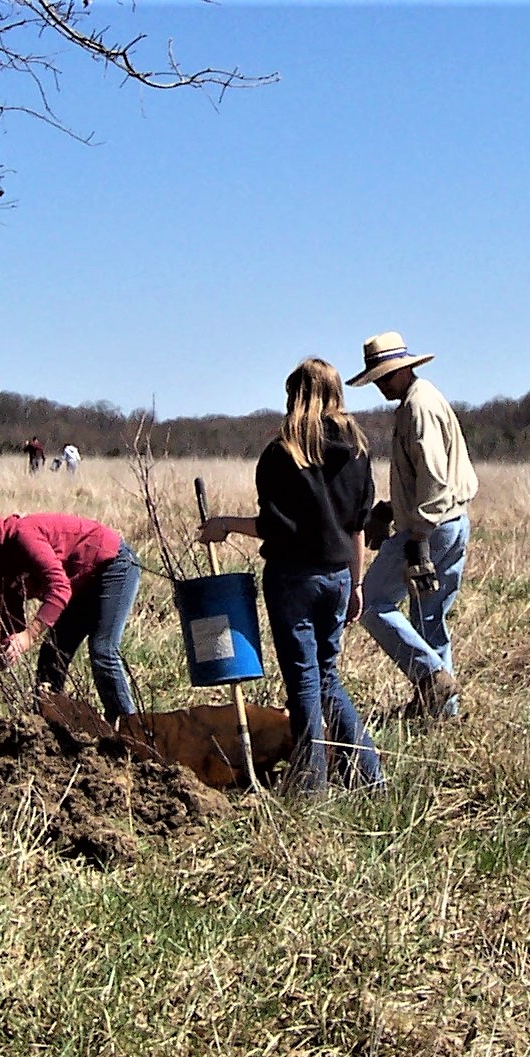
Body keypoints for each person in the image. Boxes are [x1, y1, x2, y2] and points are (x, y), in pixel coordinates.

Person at [198, 358, 385, 794]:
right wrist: (356, 582)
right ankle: (369, 779)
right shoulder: (357, 450)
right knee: (326, 676)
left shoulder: (282, 453)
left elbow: (273, 526)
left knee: (304, 678)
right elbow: (357, 525)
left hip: (293, 580)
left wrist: (224, 524)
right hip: (338, 576)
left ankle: (310, 784)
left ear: (294, 396)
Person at [347, 330, 478, 718]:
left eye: (386, 377)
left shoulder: (419, 407)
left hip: (431, 529)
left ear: (405, 370)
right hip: (450, 523)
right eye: (377, 380)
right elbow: (425, 478)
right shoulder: (418, 400)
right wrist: (389, 510)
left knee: (372, 602)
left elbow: (435, 479)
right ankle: (444, 713)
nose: (382, 386)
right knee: (428, 620)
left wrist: (417, 538)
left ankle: (432, 678)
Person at [0, 503, 139, 720]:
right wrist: (3, 655)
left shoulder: (22, 535)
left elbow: (59, 588)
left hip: (112, 565)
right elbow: (11, 620)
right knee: (52, 654)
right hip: (80, 583)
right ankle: (46, 726)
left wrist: (29, 635)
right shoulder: (2, 571)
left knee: (103, 650)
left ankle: (129, 730)